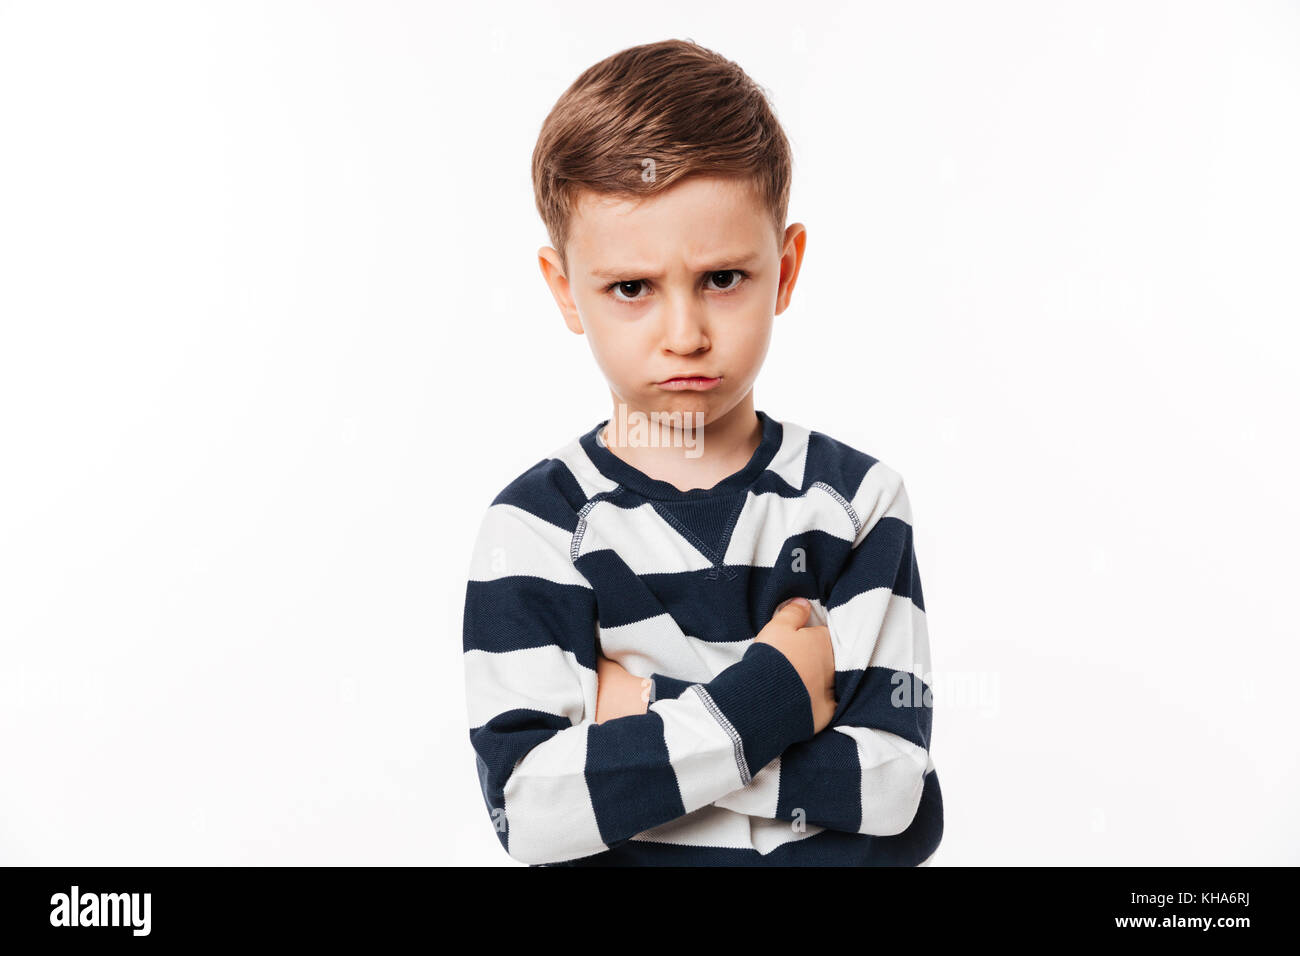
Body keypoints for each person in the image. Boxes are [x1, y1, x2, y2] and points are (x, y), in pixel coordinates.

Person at [461, 38, 942, 866]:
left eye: (723, 278)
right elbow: (531, 810)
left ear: (785, 269)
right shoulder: (537, 531)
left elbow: (896, 788)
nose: (684, 333)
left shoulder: (857, 507)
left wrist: (639, 707)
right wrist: (776, 701)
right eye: (632, 288)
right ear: (564, 289)